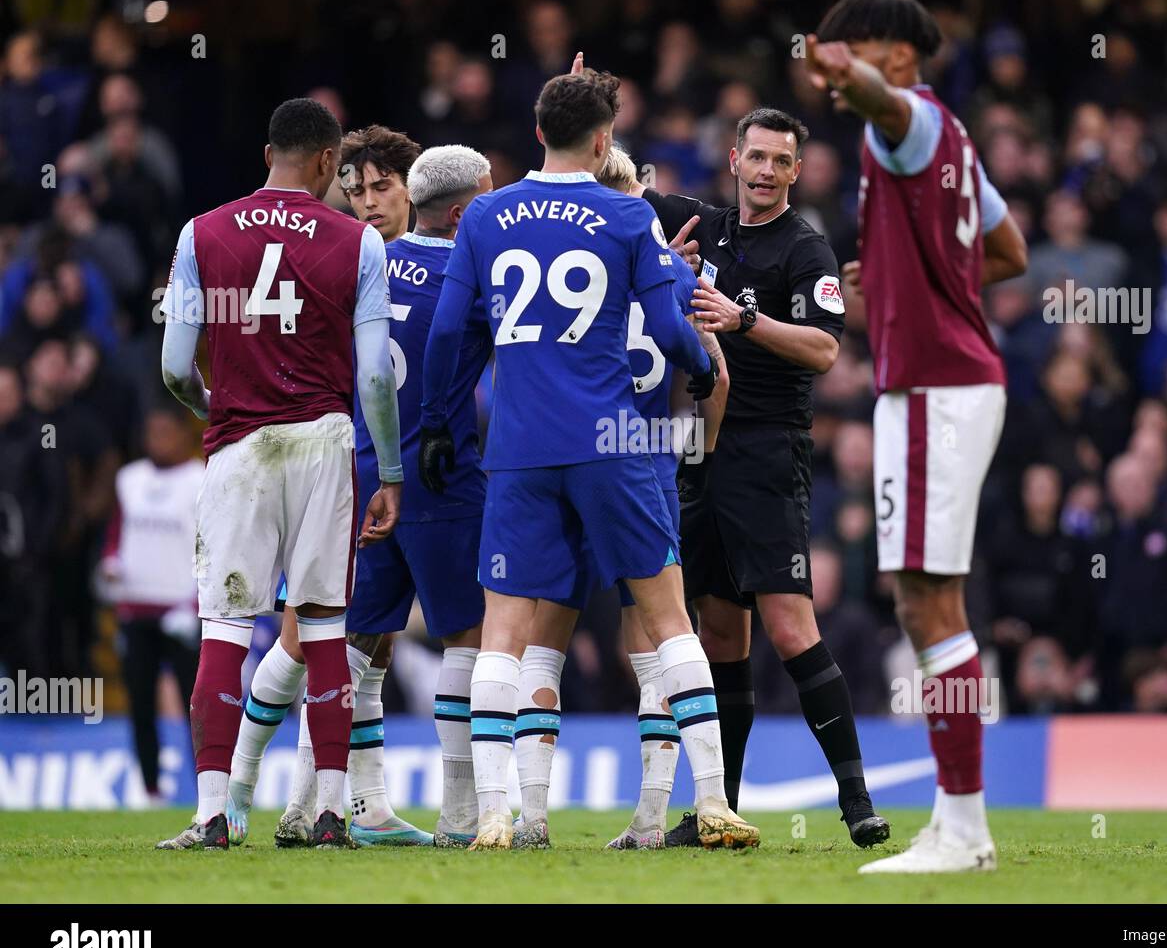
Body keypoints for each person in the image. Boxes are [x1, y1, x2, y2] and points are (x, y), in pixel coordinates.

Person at [419, 67, 758, 850]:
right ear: (604, 140)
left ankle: (498, 815)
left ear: (538, 131)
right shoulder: (626, 216)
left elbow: (448, 333)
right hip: (612, 443)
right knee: (668, 618)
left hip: (519, 446)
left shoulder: (486, 216)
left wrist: (441, 421)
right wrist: (704, 370)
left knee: (503, 632)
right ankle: (712, 802)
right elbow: (670, 328)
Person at [807, 0, 1029, 873]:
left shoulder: (910, 121)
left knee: (931, 599)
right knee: (923, 597)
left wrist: (848, 76)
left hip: (937, 387)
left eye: (852, 49)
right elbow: (1004, 251)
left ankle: (966, 828)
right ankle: (956, 820)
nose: (836, 69)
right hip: (942, 382)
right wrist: (905, 274)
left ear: (897, 53)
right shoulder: (955, 144)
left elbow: (880, 102)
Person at [226, 134, 496, 848]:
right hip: (426, 478)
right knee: (450, 639)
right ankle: (457, 813)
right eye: (357, 189)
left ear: (414, 192)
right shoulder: (466, 271)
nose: (369, 201)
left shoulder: (343, 266)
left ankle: (322, 805)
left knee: (347, 648)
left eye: (382, 188)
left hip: (356, 477)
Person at [639, 104, 890, 849]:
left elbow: (822, 349)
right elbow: (614, 190)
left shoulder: (805, 249)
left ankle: (857, 801)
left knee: (788, 626)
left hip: (767, 451)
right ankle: (723, 807)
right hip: (700, 448)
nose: (768, 171)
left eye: (783, 161)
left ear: (796, 170)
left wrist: (742, 320)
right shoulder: (703, 226)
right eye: (758, 157)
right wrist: (589, 113)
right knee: (719, 632)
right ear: (734, 160)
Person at [155, 97, 402, 850]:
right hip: (324, 444)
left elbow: (172, 367)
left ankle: (212, 816)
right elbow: (375, 381)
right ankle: (331, 812)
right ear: (329, 162)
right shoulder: (358, 242)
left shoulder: (201, 233)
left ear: (269, 155)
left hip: (240, 447)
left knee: (225, 630)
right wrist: (387, 468)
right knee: (325, 626)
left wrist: (214, 412)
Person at [508, 144, 730, 849]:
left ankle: (530, 816)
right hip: (638, 456)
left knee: (545, 636)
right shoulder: (659, 261)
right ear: (632, 187)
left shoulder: (553, 248)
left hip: (549, 447)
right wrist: (700, 451)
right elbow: (713, 373)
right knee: (659, 635)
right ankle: (655, 818)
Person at [97, 406, 204, 804]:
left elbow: (207, 545)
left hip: (179, 612)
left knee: (197, 707)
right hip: (136, 609)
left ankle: (207, 791)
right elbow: (115, 534)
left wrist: (192, 603)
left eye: (166, 432)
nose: (158, 439)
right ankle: (151, 789)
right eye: (152, 431)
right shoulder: (130, 479)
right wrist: (111, 563)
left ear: (182, 434)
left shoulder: (199, 479)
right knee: (140, 706)